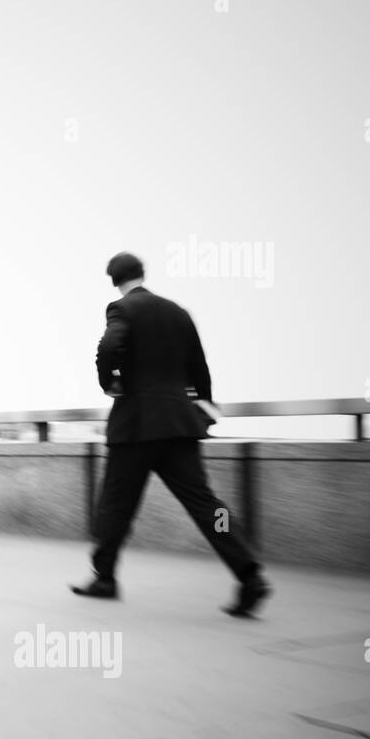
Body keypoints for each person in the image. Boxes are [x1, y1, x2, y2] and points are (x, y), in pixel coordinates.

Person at [70, 252, 272, 617]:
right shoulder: (179, 312)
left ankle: (104, 577)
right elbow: (200, 366)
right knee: (204, 503)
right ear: (142, 274)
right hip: (179, 425)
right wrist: (202, 407)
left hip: (135, 426)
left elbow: (107, 348)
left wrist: (110, 383)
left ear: (113, 279)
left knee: (116, 504)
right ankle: (249, 574)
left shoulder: (121, 309)